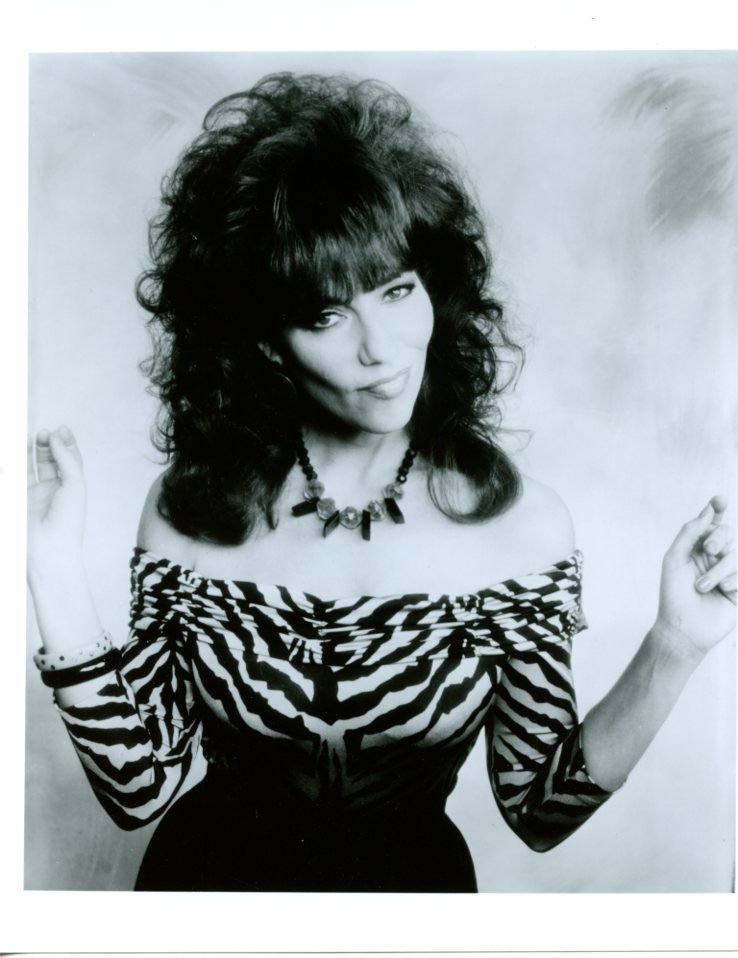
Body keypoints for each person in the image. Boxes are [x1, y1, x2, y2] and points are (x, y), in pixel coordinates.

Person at [27, 72, 736, 893]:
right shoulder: (193, 507)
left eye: (397, 291)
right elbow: (136, 791)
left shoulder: (521, 526)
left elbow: (540, 811)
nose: (382, 349)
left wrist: (674, 646)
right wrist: (49, 565)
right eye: (327, 315)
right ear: (265, 341)